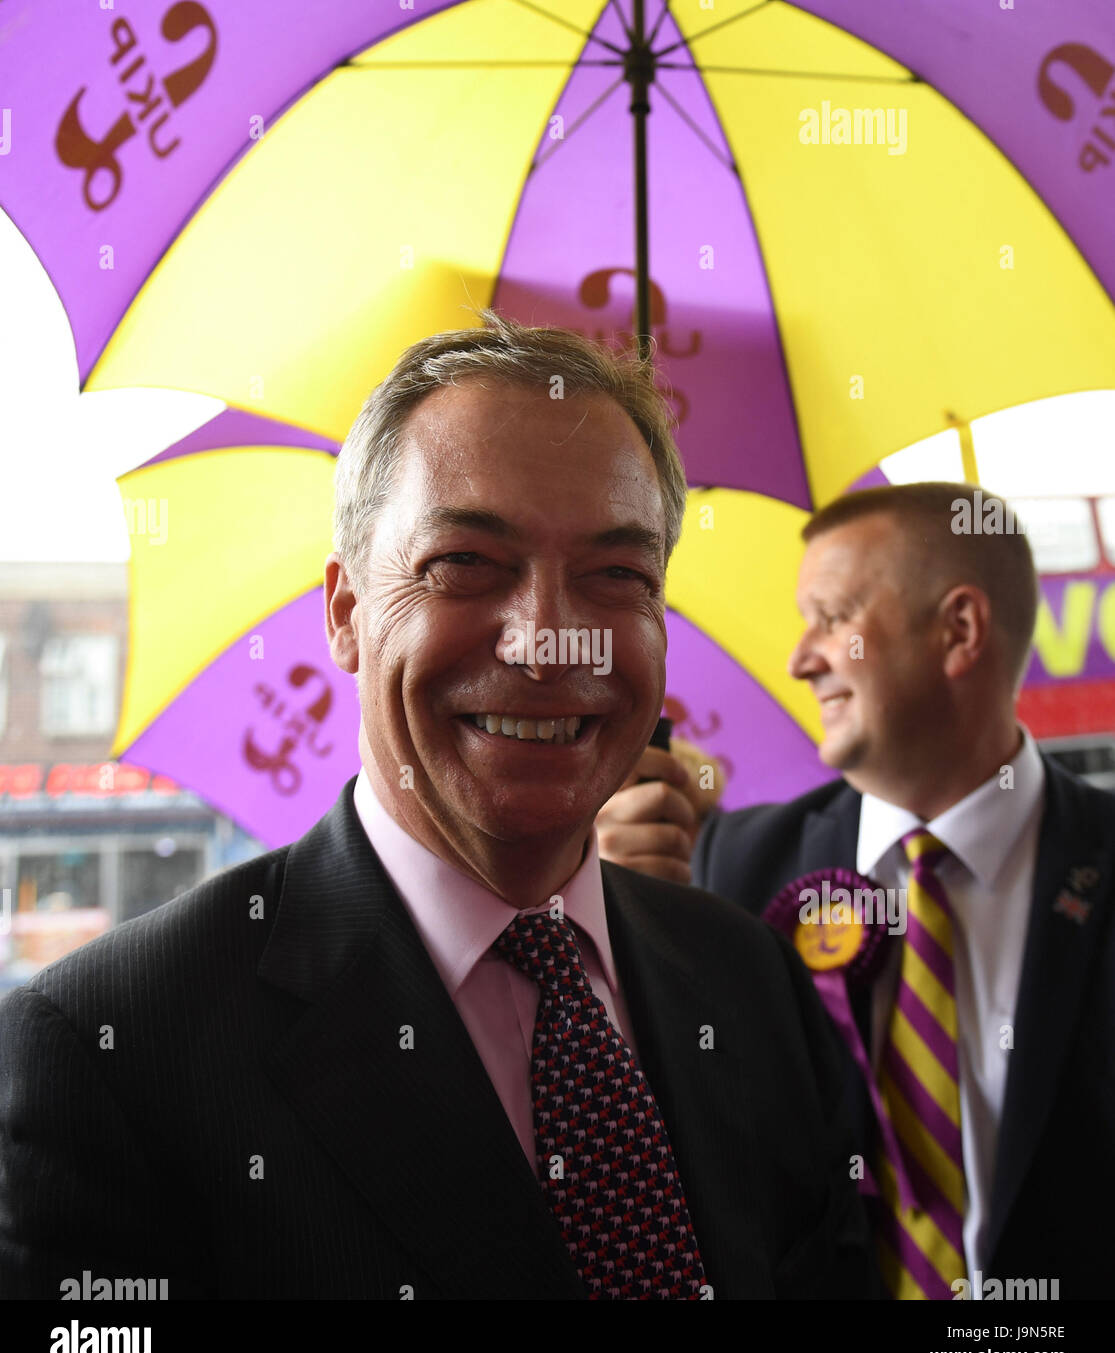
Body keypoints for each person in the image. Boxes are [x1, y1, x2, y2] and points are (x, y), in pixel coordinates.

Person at [0, 313, 876, 1300]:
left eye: (615, 575)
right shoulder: (114, 1049)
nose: (548, 643)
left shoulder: (744, 979)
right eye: (464, 562)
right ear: (345, 612)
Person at [598, 482, 1115, 1300]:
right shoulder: (726, 868)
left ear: (959, 630)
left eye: (833, 617)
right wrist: (633, 933)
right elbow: (698, 1163)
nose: (801, 659)